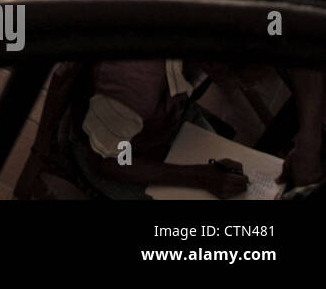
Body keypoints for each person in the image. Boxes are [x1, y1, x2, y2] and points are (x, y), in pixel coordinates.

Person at [69, 58, 249, 199]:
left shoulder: (203, 45)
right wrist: (197, 176)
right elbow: (107, 163)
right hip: (114, 156)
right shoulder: (133, 86)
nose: (246, 88)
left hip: (163, 123)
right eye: (243, 81)